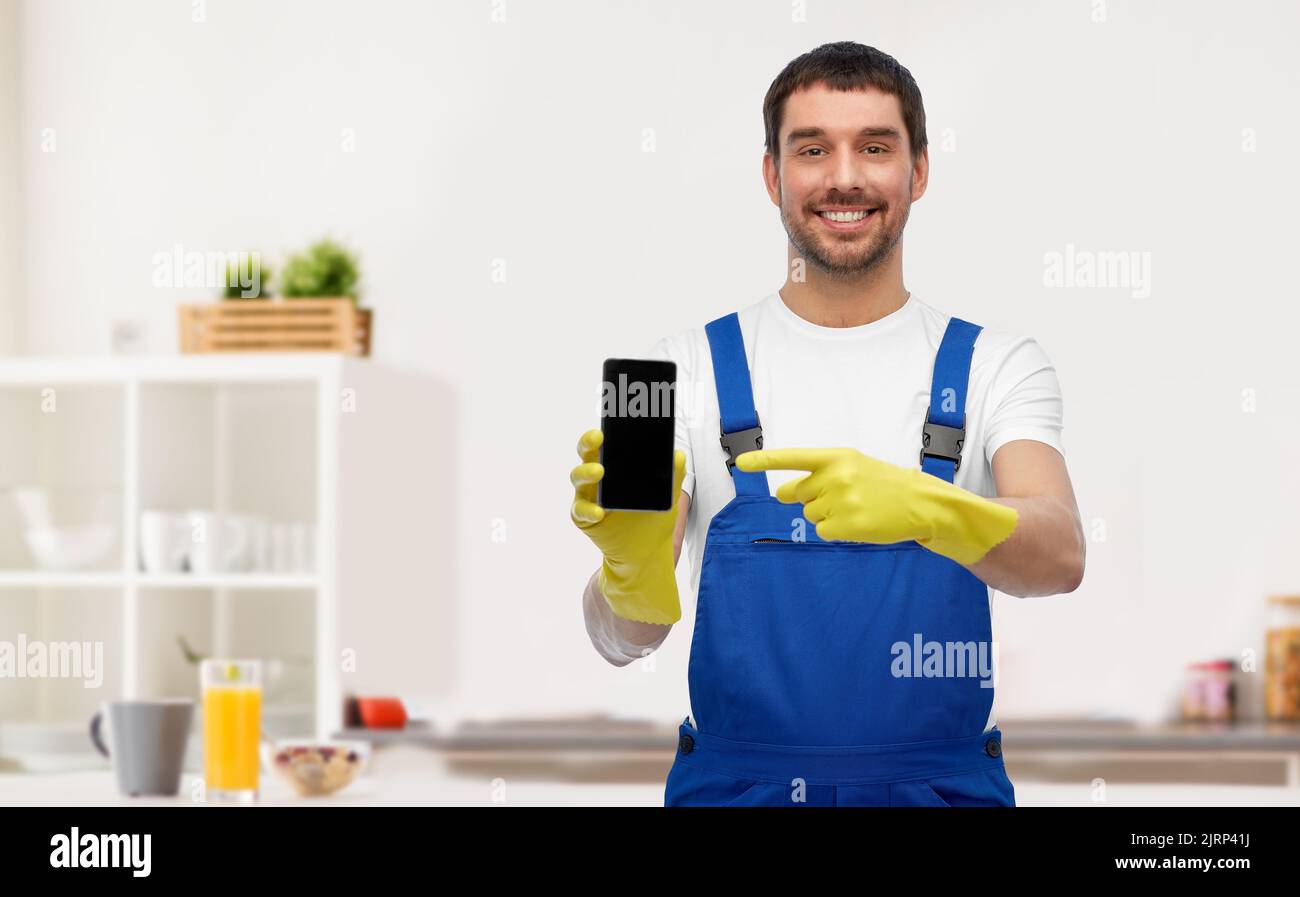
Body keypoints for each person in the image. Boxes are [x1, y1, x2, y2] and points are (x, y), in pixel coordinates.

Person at [570, 42, 1084, 807]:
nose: (844, 176)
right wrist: (631, 576)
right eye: (813, 149)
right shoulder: (665, 373)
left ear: (919, 171)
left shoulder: (999, 364)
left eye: (875, 147)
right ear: (773, 174)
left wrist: (929, 509)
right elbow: (618, 643)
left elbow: (1062, 552)